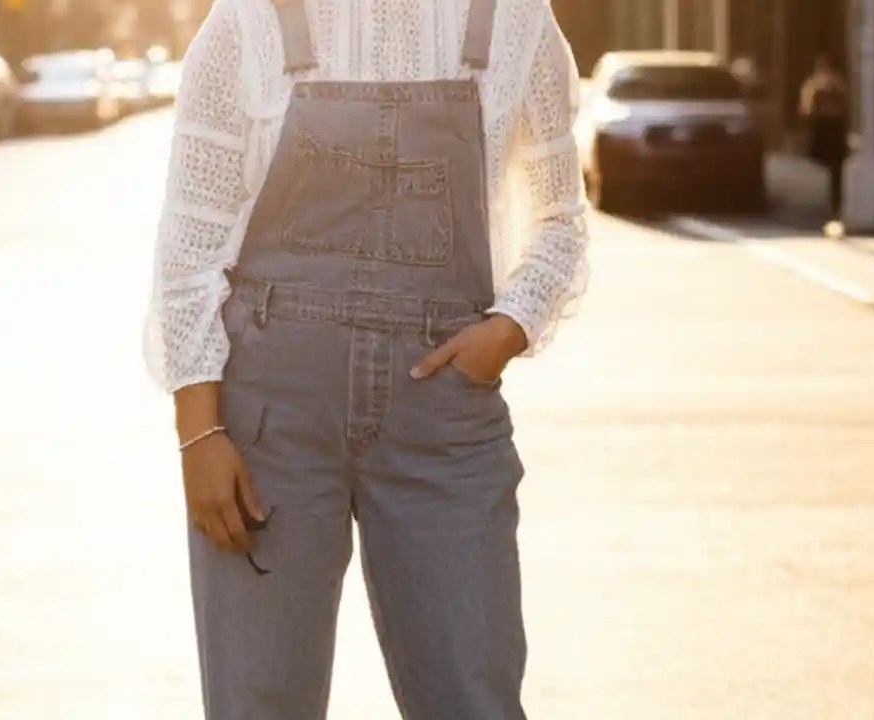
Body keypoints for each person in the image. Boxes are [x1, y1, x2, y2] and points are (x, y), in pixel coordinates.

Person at [145, 0, 591, 717]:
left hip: (443, 425)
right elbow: (189, 246)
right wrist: (198, 432)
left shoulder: (509, 18)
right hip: (269, 427)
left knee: (473, 698)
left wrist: (509, 328)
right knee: (259, 705)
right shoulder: (249, 21)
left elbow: (559, 217)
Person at [799, 53, 850, 220]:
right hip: (831, 128)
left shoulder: (816, 84)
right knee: (834, 170)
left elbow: (806, 110)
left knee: (830, 169)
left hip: (827, 129)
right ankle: (832, 204)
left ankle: (830, 204)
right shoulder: (832, 85)